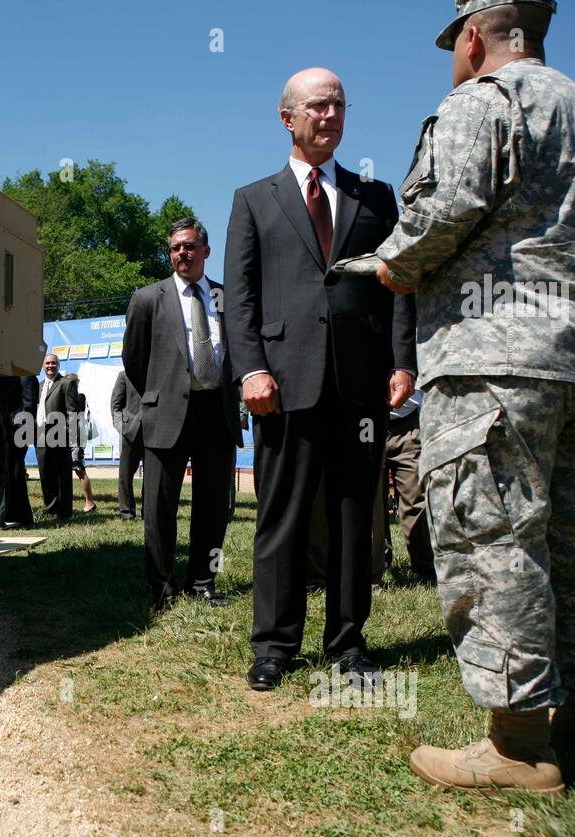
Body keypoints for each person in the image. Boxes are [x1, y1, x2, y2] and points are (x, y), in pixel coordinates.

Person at [375, 0, 575, 792]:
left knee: (494, 543)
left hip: (495, 364)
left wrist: (391, 264)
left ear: (476, 36)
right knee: (570, 542)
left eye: (456, 44)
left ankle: (518, 744)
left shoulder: (484, 103)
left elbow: (439, 212)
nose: (454, 57)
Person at [223, 68, 416, 691]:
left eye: (338, 104)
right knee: (282, 514)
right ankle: (275, 646)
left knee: (353, 513)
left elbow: (397, 287)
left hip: (361, 385)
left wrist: (402, 360)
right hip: (283, 385)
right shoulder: (254, 199)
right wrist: (251, 367)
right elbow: (243, 298)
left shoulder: (376, 197)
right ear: (288, 118)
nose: (331, 115)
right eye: (318, 106)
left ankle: (347, 642)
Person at [123, 217, 243, 609]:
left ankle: (202, 582)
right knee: (159, 506)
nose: (182, 254)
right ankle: (159, 585)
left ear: (206, 251)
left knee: (213, 505)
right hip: (167, 413)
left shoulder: (228, 298)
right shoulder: (147, 299)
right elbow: (135, 360)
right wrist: (160, 395)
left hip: (217, 412)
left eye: (189, 246)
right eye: (175, 248)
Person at [382, 389, 436, 582]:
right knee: (372, 506)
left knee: (416, 497)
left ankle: (426, 567)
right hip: (367, 421)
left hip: (408, 423)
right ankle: (378, 565)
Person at [34, 353, 79, 522]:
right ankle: (51, 508)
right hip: (40, 435)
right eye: (47, 363)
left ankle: (65, 512)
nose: (50, 366)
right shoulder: (39, 386)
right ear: (42, 366)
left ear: (58, 365)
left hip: (60, 435)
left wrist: (69, 435)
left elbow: (72, 412)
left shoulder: (66, 384)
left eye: (53, 363)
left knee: (62, 475)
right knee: (45, 473)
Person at [0, 374, 38, 528]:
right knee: (5, 472)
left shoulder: (25, 376)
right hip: (0, 428)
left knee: (13, 471)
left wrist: (20, 431)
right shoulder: (1, 374)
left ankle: (16, 515)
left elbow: (29, 406)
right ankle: (5, 514)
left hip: (15, 431)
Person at [64, 373, 98, 513]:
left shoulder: (79, 397)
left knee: (79, 469)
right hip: (71, 437)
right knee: (76, 469)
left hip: (75, 437)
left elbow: (74, 416)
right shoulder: (78, 396)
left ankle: (89, 502)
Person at [111, 370, 143, 520]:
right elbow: (115, 405)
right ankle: (127, 513)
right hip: (129, 433)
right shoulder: (124, 375)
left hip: (154, 432)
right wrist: (122, 428)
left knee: (153, 477)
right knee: (125, 475)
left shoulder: (157, 373)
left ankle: (149, 512)